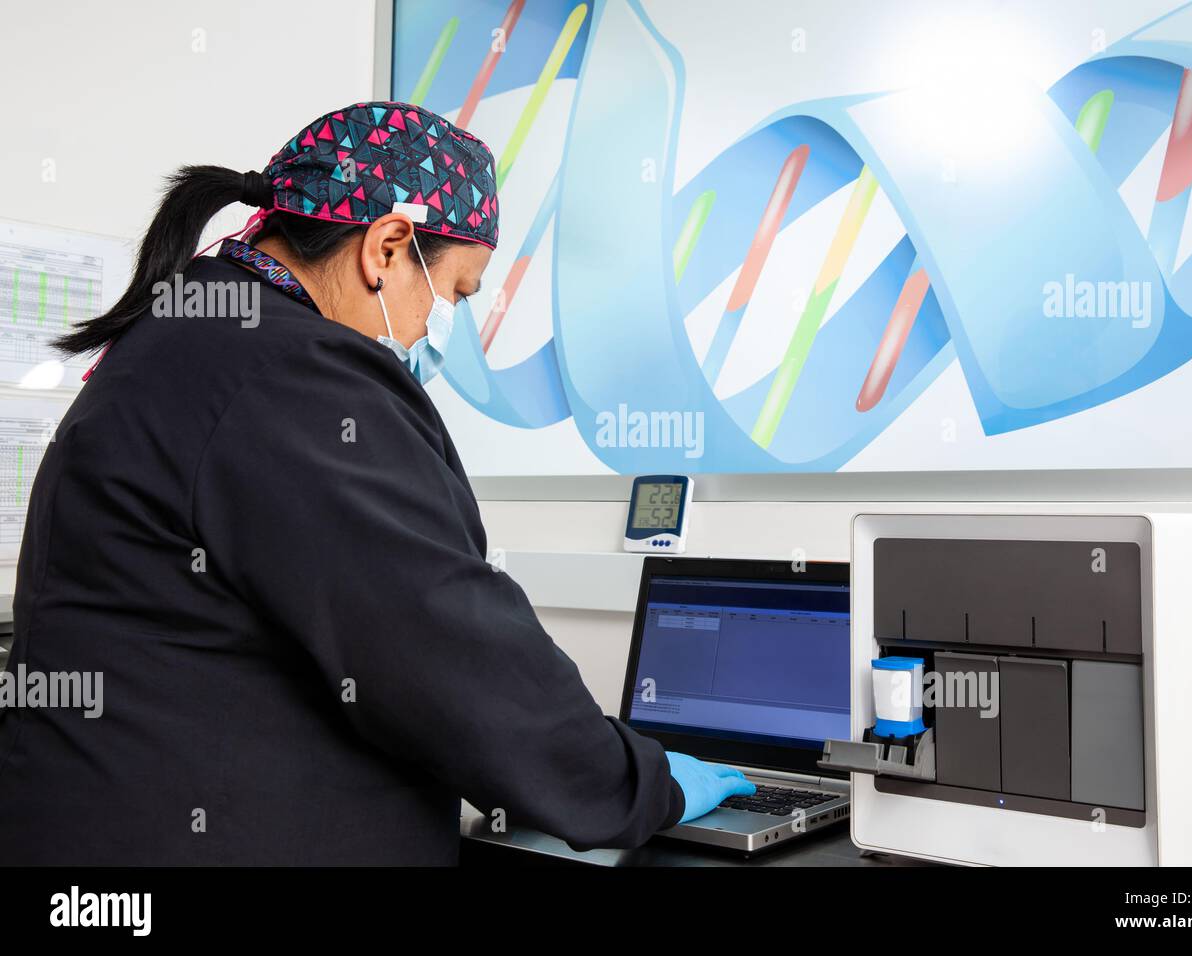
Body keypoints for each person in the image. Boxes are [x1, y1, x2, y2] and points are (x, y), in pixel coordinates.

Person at [0, 101, 752, 864]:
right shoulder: (293, 376)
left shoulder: (192, 334)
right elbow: (448, 650)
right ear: (388, 247)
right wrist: (639, 784)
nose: (435, 325)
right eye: (456, 291)